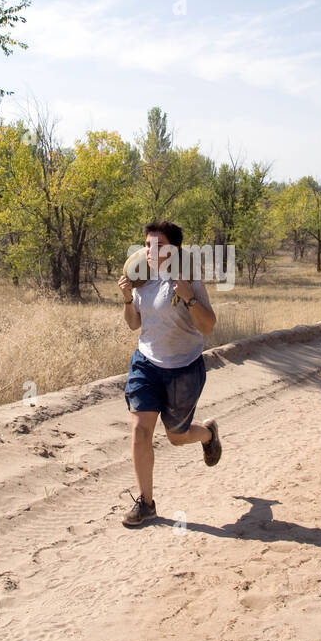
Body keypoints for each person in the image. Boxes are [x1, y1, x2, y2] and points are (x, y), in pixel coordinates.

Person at [115, 220, 222, 527]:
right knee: (140, 430)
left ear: (174, 249)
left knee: (176, 437)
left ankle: (208, 434)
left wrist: (188, 296)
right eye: (147, 244)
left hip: (183, 368)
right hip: (146, 363)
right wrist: (125, 299)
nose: (150, 250)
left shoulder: (189, 279)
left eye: (158, 245)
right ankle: (146, 503)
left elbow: (208, 326)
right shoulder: (141, 280)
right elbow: (134, 324)